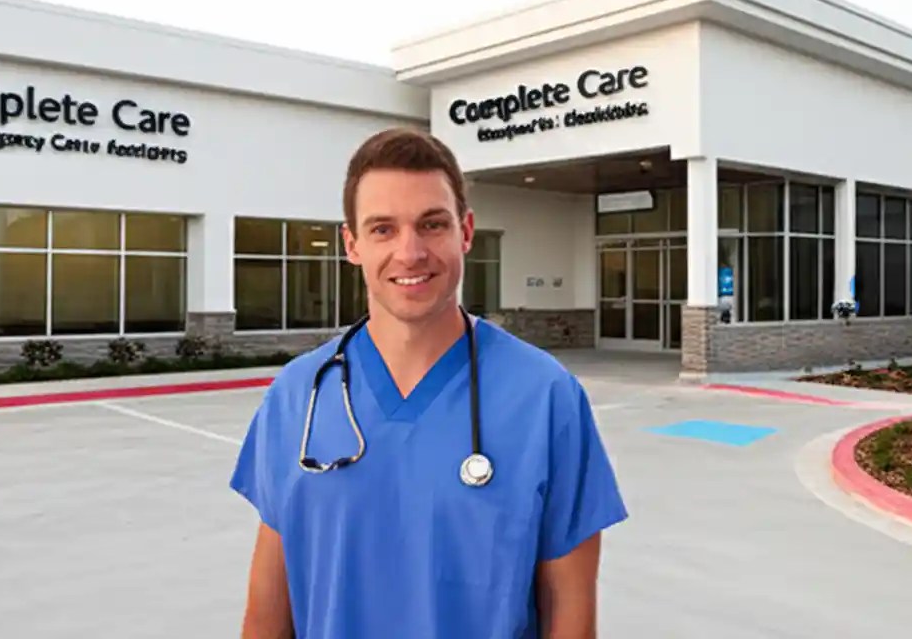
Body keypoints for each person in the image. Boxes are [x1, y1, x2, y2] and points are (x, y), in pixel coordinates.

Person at [229, 126, 628, 638]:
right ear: (352, 245)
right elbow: (266, 618)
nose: (411, 252)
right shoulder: (297, 395)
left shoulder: (546, 398)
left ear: (465, 232)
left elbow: (570, 619)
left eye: (431, 224)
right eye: (382, 229)